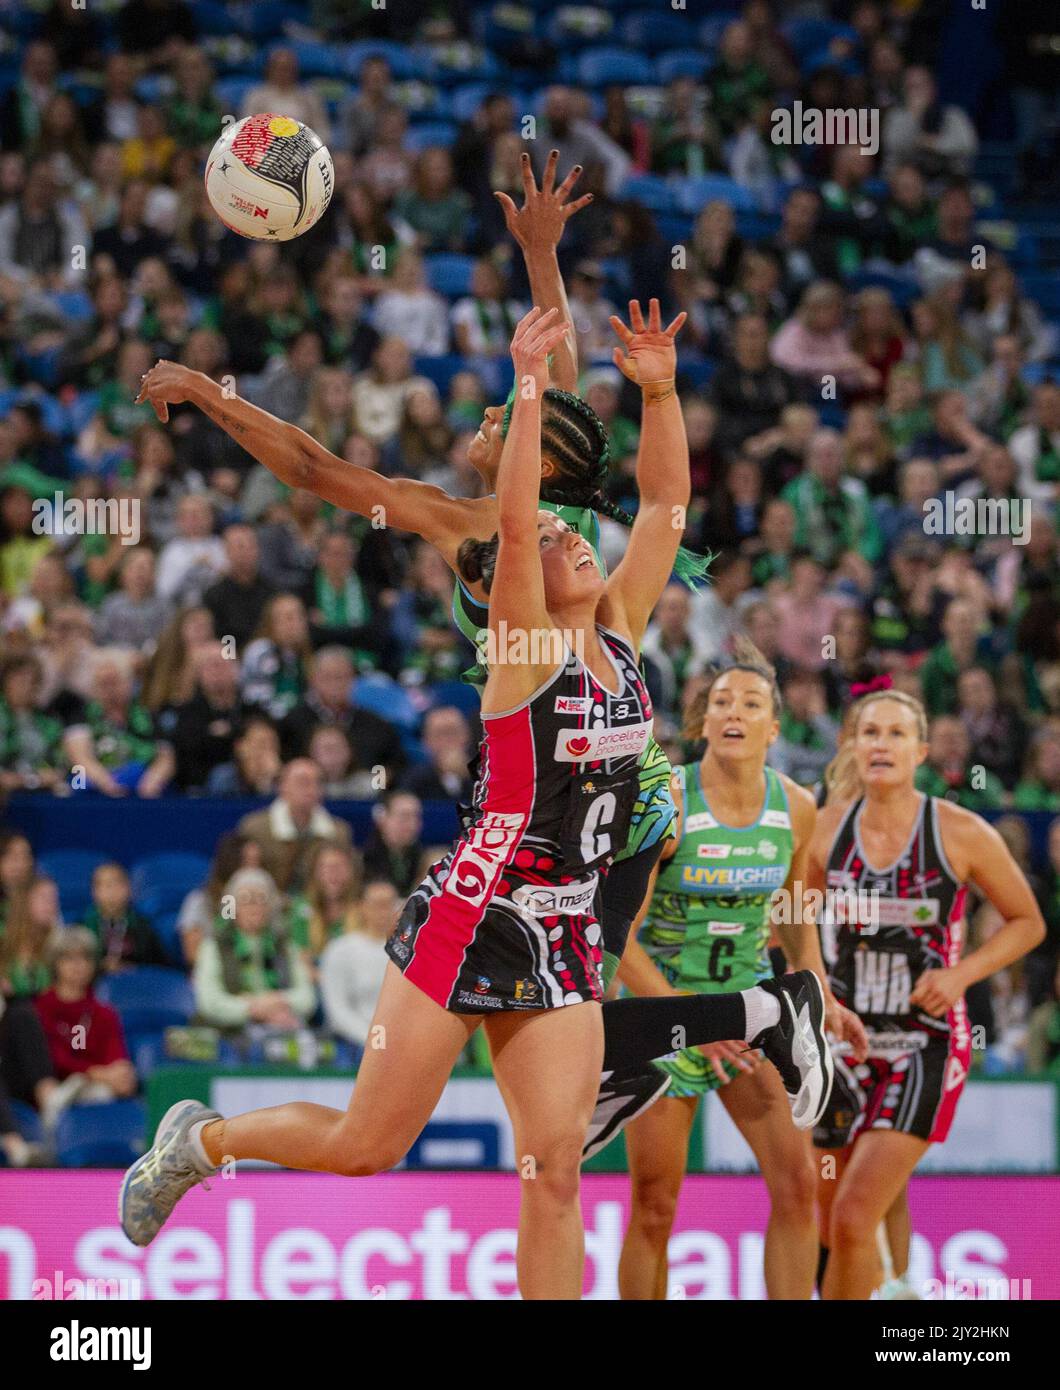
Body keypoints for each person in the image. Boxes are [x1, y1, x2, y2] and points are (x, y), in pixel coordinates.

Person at [120, 303, 830, 1299]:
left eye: (571, 534)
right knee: (368, 1145)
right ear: (514, 580)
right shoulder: (523, 649)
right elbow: (502, 511)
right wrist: (528, 385)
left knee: (554, 1173)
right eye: (546, 539)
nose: (572, 542)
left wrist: (660, 391)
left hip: (567, 926)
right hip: (474, 914)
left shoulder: (622, 629)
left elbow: (664, 505)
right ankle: (203, 1140)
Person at [614, 642, 865, 1301]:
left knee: (798, 1185)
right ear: (702, 722)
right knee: (654, 1205)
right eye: (720, 701)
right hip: (662, 1016)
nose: (734, 711)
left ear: (773, 727)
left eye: (751, 703)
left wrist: (820, 993)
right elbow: (618, 938)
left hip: (752, 1014)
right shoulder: (668, 801)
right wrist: (688, 1021)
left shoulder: (797, 807)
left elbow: (792, 912)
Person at [810, 687, 1045, 1299]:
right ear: (853, 748)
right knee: (835, 1222)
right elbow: (790, 919)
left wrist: (962, 973)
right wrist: (816, 993)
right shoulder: (824, 829)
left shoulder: (960, 831)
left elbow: (1029, 921)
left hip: (925, 1043)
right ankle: (895, 1291)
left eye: (893, 734)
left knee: (855, 1213)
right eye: (868, 733)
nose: (879, 744)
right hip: (844, 1042)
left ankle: (897, 1287)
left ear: (918, 752)